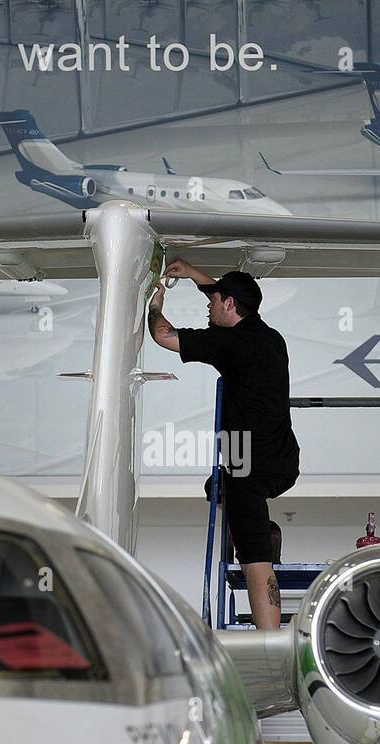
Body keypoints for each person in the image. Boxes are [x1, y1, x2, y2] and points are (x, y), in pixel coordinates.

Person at [147, 259, 300, 630]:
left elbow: (163, 336)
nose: (208, 305)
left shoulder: (228, 343)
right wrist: (196, 274)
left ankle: (269, 643)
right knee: (242, 516)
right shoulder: (270, 337)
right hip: (283, 459)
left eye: (214, 301)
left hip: (245, 463)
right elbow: (224, 294)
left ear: (230, 304)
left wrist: (154, 304)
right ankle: (263, 530)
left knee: (254, 558)